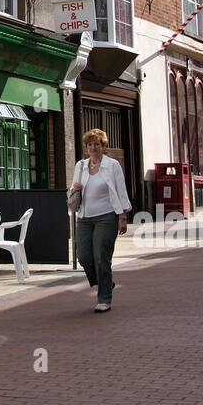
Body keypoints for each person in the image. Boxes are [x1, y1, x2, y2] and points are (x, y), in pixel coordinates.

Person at [68, 128, 131, 313]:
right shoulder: (80, 166)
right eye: (90, 144)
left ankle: (104, 298)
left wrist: (123, 216)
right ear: (86, 147)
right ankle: (106, 282)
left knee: (102, 257)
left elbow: (121, 191)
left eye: (97, 144)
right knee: (84, 257)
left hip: (107, 216)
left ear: (103, 146)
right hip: (85, 217)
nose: (93, 147)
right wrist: (73, 190)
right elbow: (72, 191)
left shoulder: (112, 166)